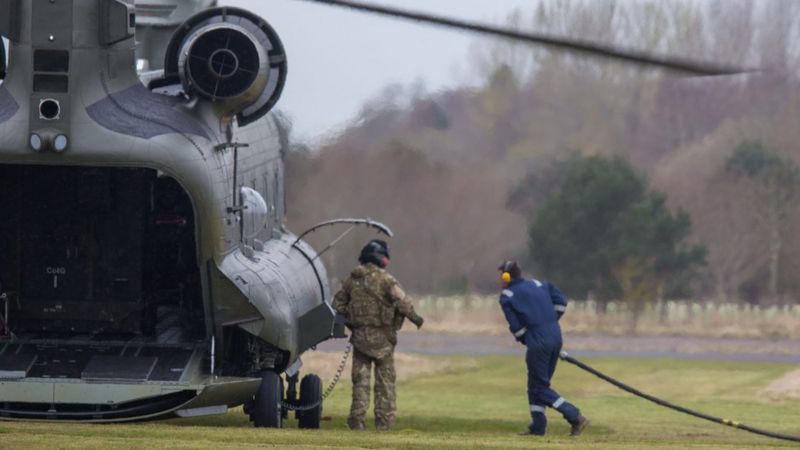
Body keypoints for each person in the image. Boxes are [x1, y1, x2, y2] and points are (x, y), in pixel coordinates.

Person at [332, 239, 425, 431]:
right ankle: (384, 423)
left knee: (360, 383)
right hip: (383, 340)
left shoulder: (351, 280)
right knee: (385, 385)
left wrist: (353, 320)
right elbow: (403, 303)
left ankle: (357, 421)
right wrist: (416, 319)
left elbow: (337, 305)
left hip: (359, 339)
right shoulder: (386, 280)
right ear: (381, 258)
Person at [497, 261, 589, 437]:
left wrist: (530, 337)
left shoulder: (507, 295)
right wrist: (549, 321)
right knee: (536, 385)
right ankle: (538, 427)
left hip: (538, 341)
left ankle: (575, 416)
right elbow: (562, 302)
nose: (499, 280)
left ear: (506, 276)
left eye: (500, 275)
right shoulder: (540, 284)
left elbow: (516, 328)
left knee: (540, 388)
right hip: (555, 336)